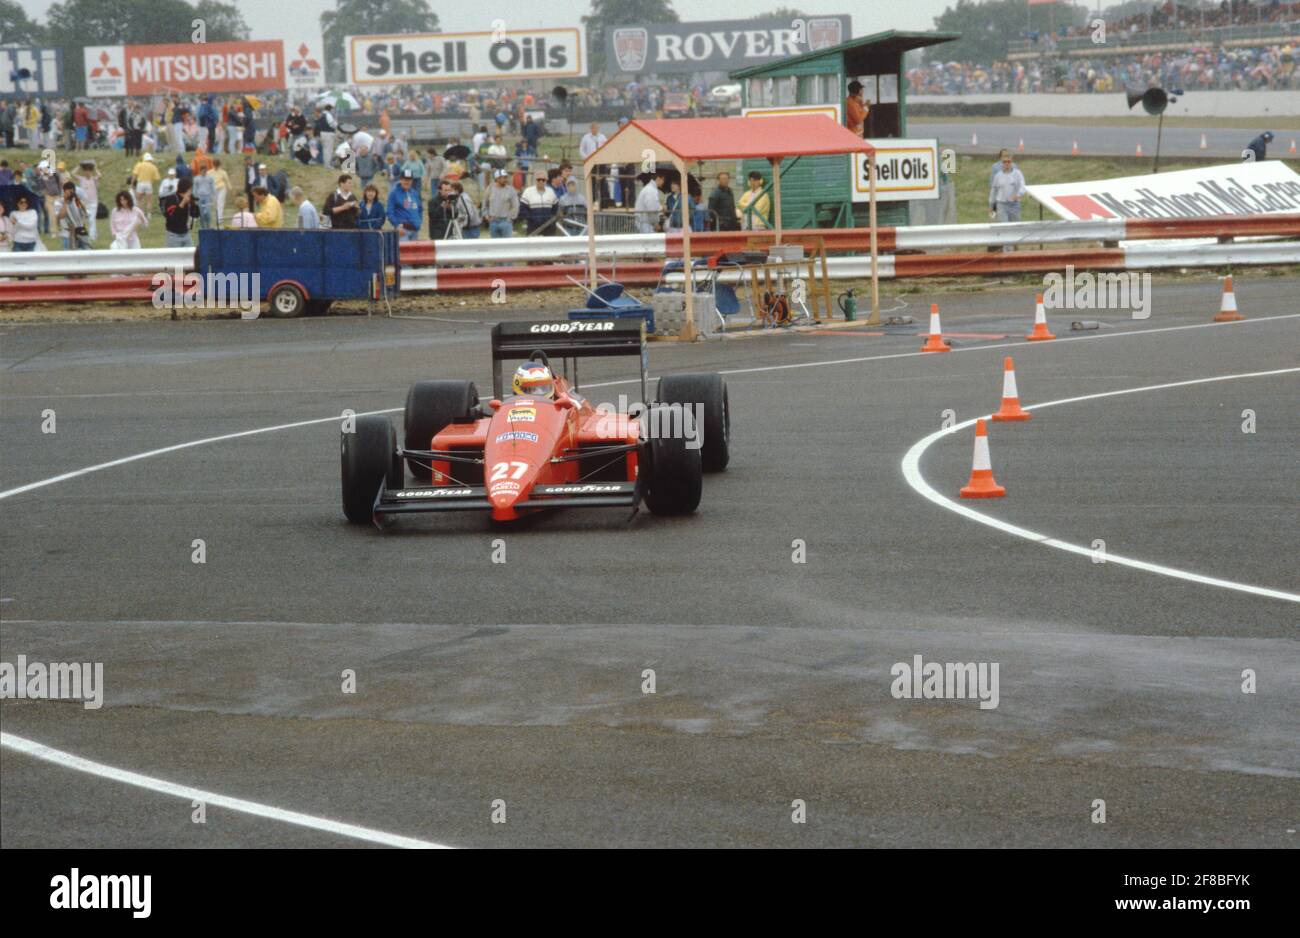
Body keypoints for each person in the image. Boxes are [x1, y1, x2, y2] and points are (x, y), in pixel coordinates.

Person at [988, 152, 1027, 225]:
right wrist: (991, 206)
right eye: (1004, 162)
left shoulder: (1017, 174)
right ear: (1002, 163)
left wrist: (1018, 195)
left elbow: (1023, 186)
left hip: (1014, 205)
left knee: (1016, 226)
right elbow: (993, 192)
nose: (1006, 164)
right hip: (1002, 205)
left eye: (1008, 162)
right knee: (1004, 226)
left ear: (1011, 162)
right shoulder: (998, 176)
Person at [160, 176, 199, 247]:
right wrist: (183, 203)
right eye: (190, 189)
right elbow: (172, 217)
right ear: (186, 189)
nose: (191, 191)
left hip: (186, 233)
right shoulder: (171, 199)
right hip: (173, 235)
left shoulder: (190, 199)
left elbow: (196, 214)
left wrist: (194, 204)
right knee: (173, 257)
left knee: (190, 256)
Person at [386, 169, 423, 241]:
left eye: (409, 180)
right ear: (401, 180)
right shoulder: (394, 193)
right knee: (403, 252)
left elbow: (420, 209)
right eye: (405, 179)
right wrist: (397, 226)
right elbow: (390, 212)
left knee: (414, 252)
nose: (407, 182)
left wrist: (419, 221)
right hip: (403, 231)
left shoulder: (414, 193)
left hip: (415, 230)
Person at [56, 181, 93, 250]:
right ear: (64, 191)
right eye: (69, 192)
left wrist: (79, 201)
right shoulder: (59, 202)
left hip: (81, 230)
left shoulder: (77, 201)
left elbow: (86, 214)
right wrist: (65, 202)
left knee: (88, 253)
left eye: (72, 192)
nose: (71, 194)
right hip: (68, 233)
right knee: (69, 257)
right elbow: (61, 216)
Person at [483, 169, 520, 238]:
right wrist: (486, 216)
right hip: (493, 222)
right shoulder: (490, 188)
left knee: (507, 246)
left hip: (506, 222)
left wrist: (510, 218)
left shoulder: (511, 190)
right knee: (495, 246)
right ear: (497, 178)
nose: (506, 179)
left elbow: (516, 206)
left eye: (506, 177)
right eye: (504, 177)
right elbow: (485, 203)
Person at [521, 171, 558, 235]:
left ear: (546, 180)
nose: (541, 181)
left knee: (549, 244)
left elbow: (555, 208)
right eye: (539, 179)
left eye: (543, 180)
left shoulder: (551, 191)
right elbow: (523, 209)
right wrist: (531, 218)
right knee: (532, 244)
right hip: (533, 226)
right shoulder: (528, 191)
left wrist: (550, 219)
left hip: (549, 226)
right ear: (535, 180)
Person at [73, 160, 101, 241]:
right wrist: (79, 166)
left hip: (93, 203)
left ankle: (92, 236)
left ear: (91, 172)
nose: (87, 173)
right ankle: (82, 234)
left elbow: (99, 175)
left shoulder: (94, 179)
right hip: (84, 203)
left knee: (92, 219)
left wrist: (95, 167)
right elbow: (73, 173)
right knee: (82, 219)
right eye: (85, 171)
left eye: (89, 171)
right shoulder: (81, 179)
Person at [211, 158, 230, 227]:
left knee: (220, 203)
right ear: (213, 165)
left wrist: (230, 188)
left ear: (219, 165)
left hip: (222, 188)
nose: (216, 166)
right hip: (213, 189)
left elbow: (227, 181)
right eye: (215, 165)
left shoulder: (223, 172)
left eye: (217, 165)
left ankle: (219, 219)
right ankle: (216, 217)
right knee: (214, 204)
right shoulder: (209, 172)